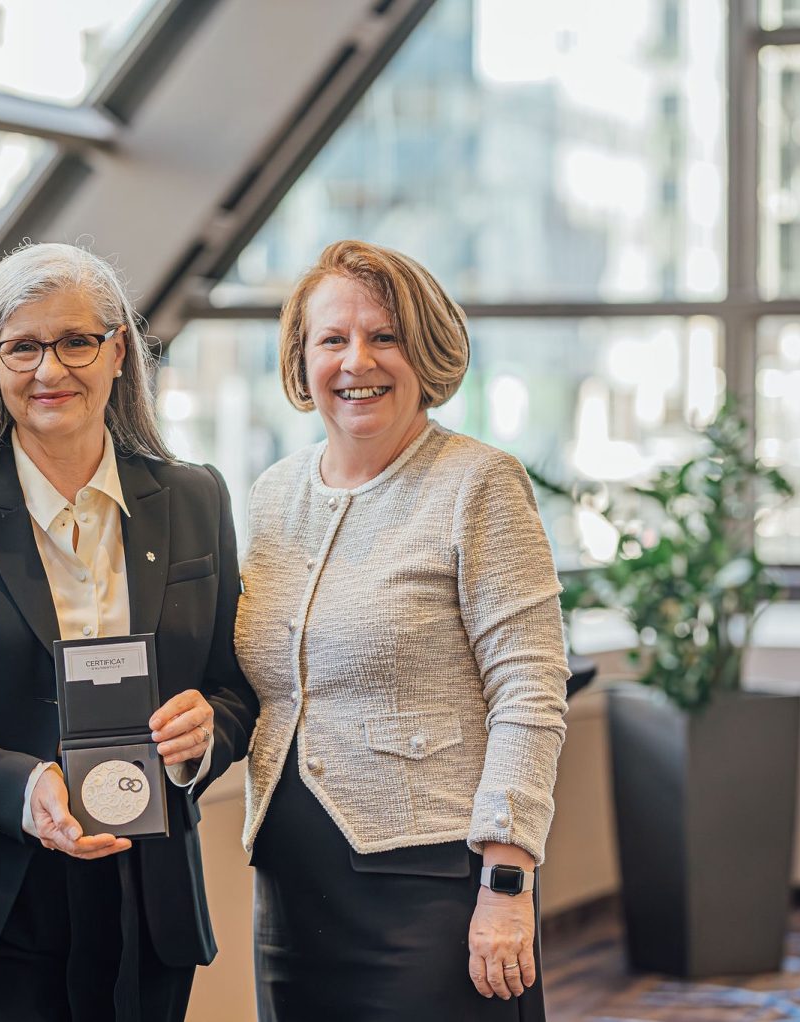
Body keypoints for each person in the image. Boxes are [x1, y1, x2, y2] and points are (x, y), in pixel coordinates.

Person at [0, 242, 258, 1022]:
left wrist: (206, 734)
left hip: (145, 897)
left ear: (118, 352)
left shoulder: (194, 498)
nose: (51, 370)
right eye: (23, 347)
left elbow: (234, 687)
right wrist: (25, 786)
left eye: (77, 341)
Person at [235, 240, 569, 1020]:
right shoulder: (273, 495)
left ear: (423, 350)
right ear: (301, 357)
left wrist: (507, 885)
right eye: (333, 339)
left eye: (384, 336)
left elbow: (530, 691)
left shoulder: (477, 482)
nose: (358, 361)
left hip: (432, 891)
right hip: (290, 887)